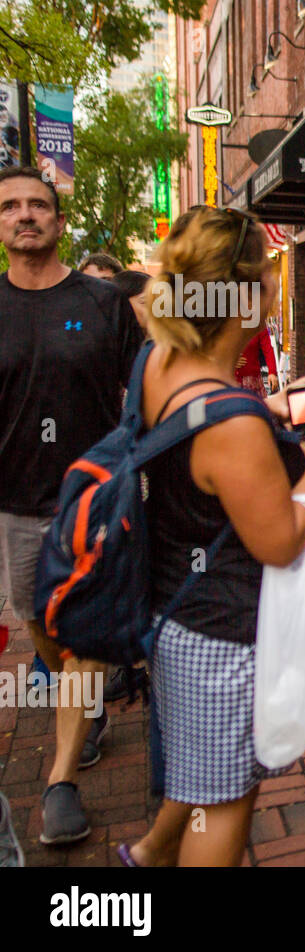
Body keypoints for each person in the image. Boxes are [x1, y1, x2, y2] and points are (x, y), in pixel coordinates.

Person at [119, 205, 305, 867]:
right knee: (223, 806)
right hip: (224, 633)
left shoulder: (157, 365)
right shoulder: (232, 422)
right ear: (247, 294)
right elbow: (281, 540)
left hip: (174, 614)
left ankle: (152, 850)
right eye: (267, 278)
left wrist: (260, 410)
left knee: (199, 771)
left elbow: (187, 440)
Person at [0, 166, 142, 845]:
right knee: (41, 626)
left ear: (59, 222)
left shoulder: (106, 302)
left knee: (80, 634)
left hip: (93, 503)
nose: (25, 215)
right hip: (15, 503)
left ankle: (61, 779)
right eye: (11, 206)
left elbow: (143, 393)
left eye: (38, 205)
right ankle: (84, 711)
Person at [236, 325, 279, 397]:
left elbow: (268, 349)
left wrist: (272, 372)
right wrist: (230, 361)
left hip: (252, 381)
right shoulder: (225, 322)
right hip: (229, 380)